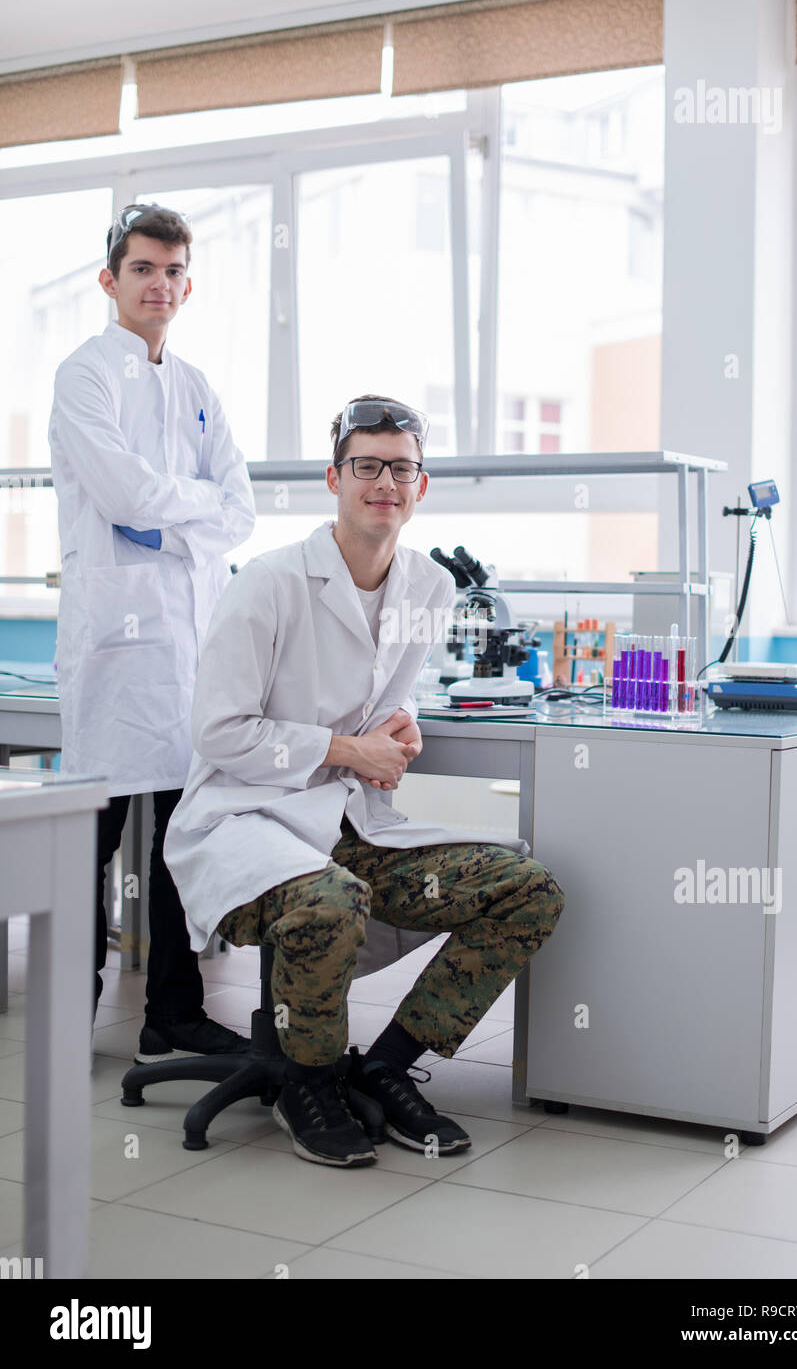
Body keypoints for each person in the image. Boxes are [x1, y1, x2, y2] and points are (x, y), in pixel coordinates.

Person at [164, 395, 566, 1167]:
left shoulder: (429, 587)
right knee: (330, 898)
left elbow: (381, 684)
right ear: (335, 478)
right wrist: (348, 750)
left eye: (402, 468)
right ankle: (307, 1081)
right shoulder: (267, 585)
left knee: (527, 888)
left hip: (350, 824)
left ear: (422, 486)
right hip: (247, 823)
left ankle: (383, 1066)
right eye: (367, 465)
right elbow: (219, 733)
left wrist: (401, 718)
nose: (385, 481)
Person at [48, 202, 257, 1063]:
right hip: (113, 643)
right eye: (143, 269)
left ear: (188, 284)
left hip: (190, 647)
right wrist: (188, 514)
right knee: (87, 842)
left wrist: (174, 523)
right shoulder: (84, 375)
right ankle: (70, 1009)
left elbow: (238, 508)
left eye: (173, 271)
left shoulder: (198, 386)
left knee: (180, 839)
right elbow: (124, 495)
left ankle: (173, 1011)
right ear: (111, 280)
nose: (159, 284)